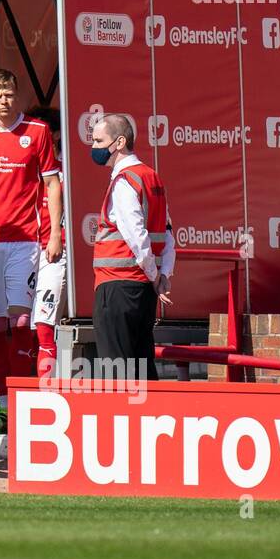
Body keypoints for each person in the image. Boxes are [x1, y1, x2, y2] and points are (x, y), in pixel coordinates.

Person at [0, 69, 62, 431]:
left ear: (16, 95)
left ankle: (21, 401)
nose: (5, 100)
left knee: (21, 322)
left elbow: (52, 185)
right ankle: (3, 404)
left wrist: (54, 237)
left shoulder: (36, 133)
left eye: (9, 94)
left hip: (25, 241)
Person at [89, 113, 175, 380]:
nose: (94, 147)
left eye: (99, 140)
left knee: (118, 371)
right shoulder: (151, 177)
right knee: (141, 368)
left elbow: (136, 236)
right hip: (142, 290)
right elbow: (169, 234)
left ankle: (122, 421)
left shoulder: (125, 181)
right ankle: (149, 420)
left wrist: (155, 276)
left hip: (117, 287)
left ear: (119, 142)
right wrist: (163, 276)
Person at [26, 105, 65, 381]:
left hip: (54, 251)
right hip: (23, 251)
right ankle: (18, 397)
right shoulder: (22, 166)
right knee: (20, 324)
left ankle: (46, 392)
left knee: (44, 321)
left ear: (55, 136)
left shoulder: (68, 169)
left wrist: (56, 238)